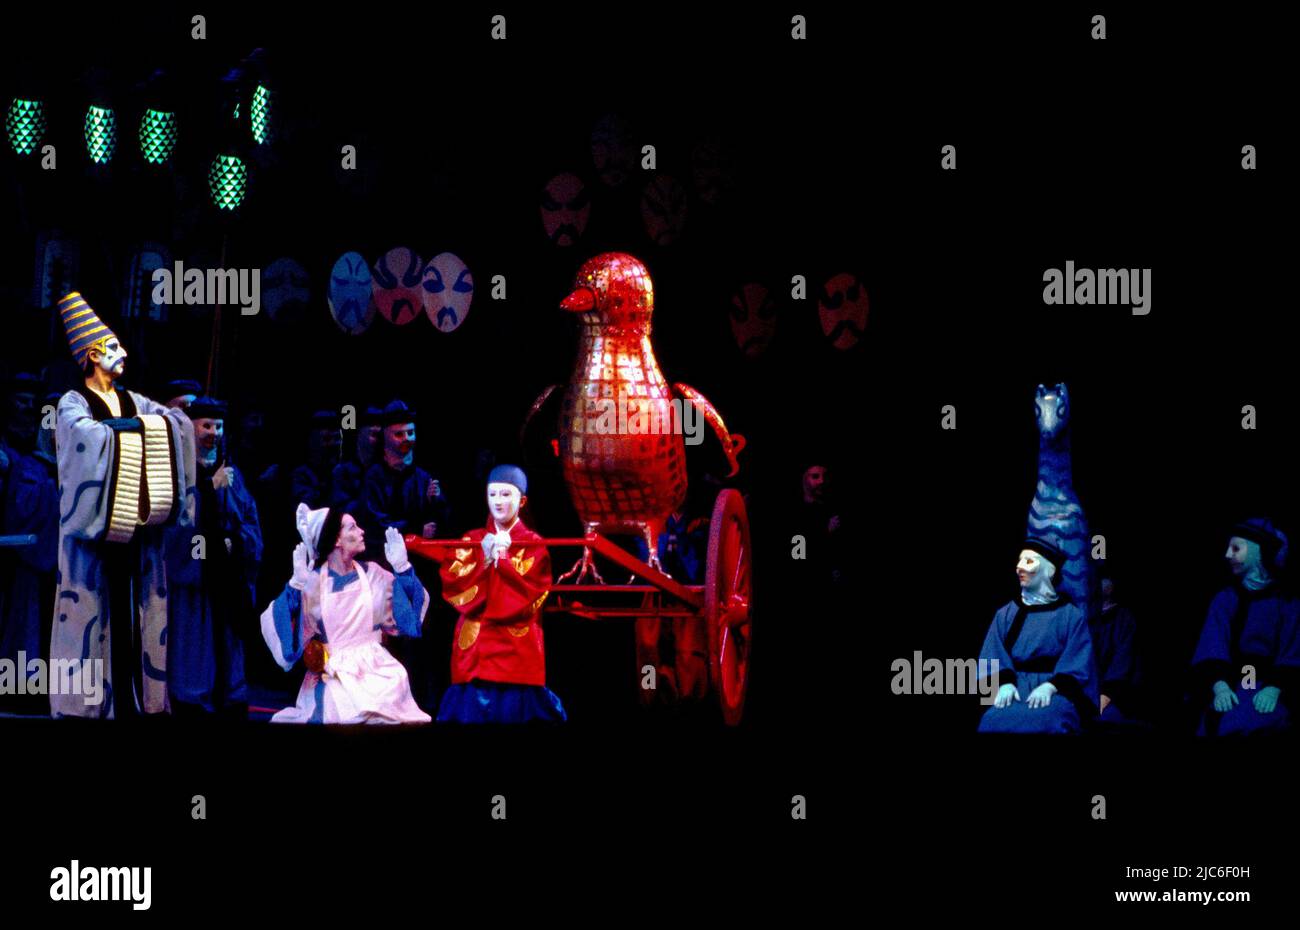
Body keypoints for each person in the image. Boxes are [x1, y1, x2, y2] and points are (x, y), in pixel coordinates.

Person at [51, 292, 196, 718]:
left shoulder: (135, 400)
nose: (123, 353)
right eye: (114, 347)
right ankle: (86, 705)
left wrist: (132, 427)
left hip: (137, 536)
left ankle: (139, 701)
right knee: (92, 616)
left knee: (141, 615)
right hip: (94, 537)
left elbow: (177, 425)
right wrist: (128, 433)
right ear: (93, 354)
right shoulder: (72, 402)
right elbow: (83, 439)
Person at [411, 465, 566, 723]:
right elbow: (454, 587)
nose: (498, 502)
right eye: (492, 495)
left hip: (517, 652)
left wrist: (503, 561)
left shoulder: (534, 545)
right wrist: (484, 561)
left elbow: (530, 597)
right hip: (476, 653)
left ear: (522, 500)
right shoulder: (472, 540)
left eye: (506, 495)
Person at [259, 504, 430, 723]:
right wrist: (295, 586)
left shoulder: (374, 575)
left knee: (393, 706)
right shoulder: (313, 583)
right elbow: (285, 630)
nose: (361, 532)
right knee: (340, 709)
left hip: (377, 669)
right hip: (334, 672)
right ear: (337, 540)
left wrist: (403, 569)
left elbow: (408, 620)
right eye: (352, 527)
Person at [164, 396, 263, 717]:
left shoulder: (233, 475)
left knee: (229, 648)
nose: (213, 433)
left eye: (218, 426)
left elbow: (250, 522)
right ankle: (193, 700)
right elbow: (177, 529)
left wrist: (236, 543)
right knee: (194, 647)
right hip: (194, 583)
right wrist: (208, 488)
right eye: (206, 426)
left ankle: (230, 697)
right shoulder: (177, 474)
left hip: (227, 581)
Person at [1190, 518, 1300, 736]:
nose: (1228, 555)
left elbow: (1293, 648)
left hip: (1271, 686)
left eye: (1236, 548)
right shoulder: (1225, 599)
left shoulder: (1287, 603)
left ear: (1258, 553)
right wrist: (1219, 686)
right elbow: (1213, 642)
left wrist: (1274, 686)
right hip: (1230, 683)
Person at [977, 538, 1097, 734]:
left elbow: (1079, 662)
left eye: (1029, 561)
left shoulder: (1071, 616)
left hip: (1055, 690)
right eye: (1019, 560)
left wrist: (1051, 686)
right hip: (1014, 686)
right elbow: (991, 655)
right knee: (992, 721)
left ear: (1049, 571)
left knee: (1049, 720)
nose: (1019, 567)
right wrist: (1004, 683)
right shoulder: (1006, 614)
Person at [0, 377, 59, 713]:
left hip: (64, 568)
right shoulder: (31, 467)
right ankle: (22, 690)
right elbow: (21, 511)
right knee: (28, 630)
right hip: (34, 568)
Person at [1090, 567, 1145, 725]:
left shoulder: (1124, 619)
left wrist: (1106, 694)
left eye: (1105, 579)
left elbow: (1123, 661)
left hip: (1116, 696)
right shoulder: (1085, 615)